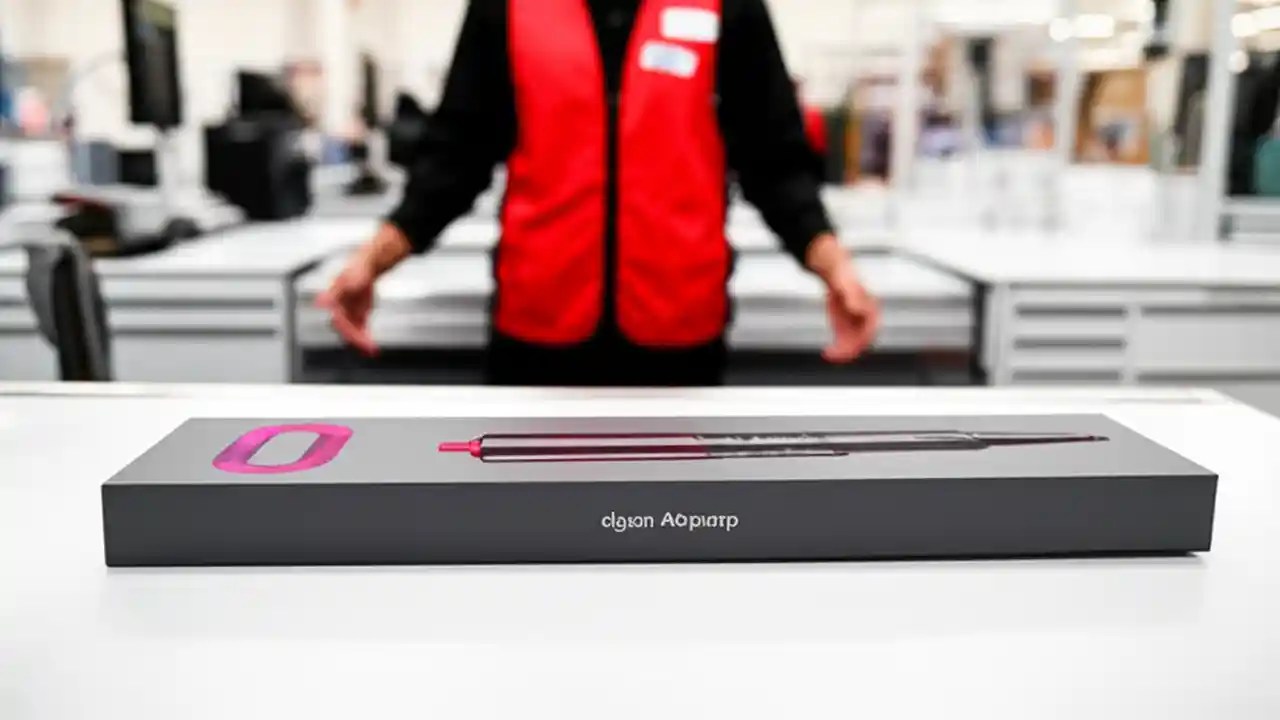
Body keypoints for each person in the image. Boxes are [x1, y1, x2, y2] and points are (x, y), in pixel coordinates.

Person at [319, 0, 880, 387]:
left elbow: (774, 160)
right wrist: (373, 260)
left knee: (672, 534)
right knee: (534, 541)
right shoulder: (508, 6)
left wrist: (837, 270)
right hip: (537, 337)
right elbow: (455, 158)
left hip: (679, 339)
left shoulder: (726, 6)